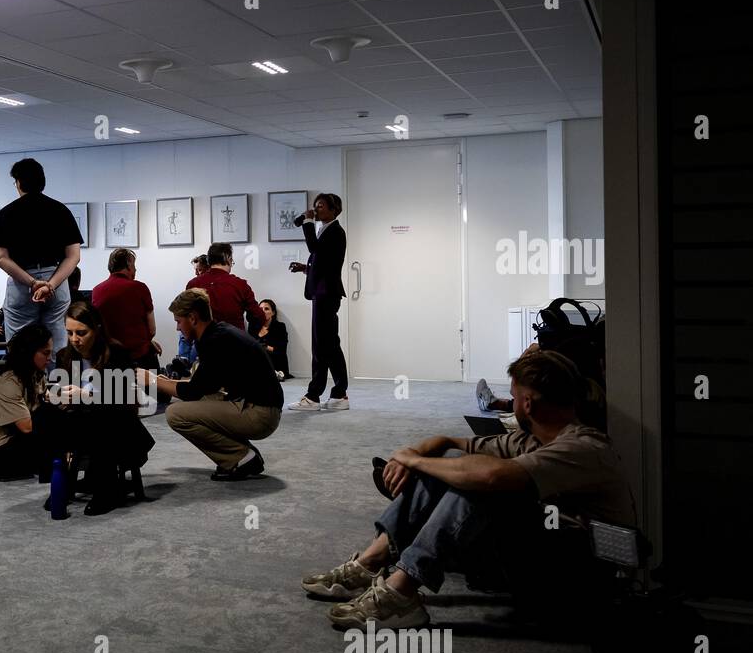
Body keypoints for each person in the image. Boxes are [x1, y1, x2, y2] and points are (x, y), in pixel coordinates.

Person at [304, 351, 636, 630]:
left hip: (583, 578)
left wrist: (415, 463)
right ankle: (371, 561)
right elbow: (454, 445)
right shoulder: (530, 440)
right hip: (539, 558)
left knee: (483, 483)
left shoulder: (583, 448)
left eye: (514, 397)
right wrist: (419, 452)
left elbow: (490, 477)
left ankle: (402, 592)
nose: (511, 405)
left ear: (528, 404)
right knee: (451, 464)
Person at [138, 289, 283, 480]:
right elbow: (202, 386)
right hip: (261, 407)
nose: (177, 328)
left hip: (261, 414)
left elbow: (192, 392)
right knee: (201, 401)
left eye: (178, 321)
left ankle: (240, 457)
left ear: (192, 318)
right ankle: (243, 454)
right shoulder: (218, 333)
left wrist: (153, 381)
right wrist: (160, 379)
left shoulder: (214, 341)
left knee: (176, 414)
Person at [47, 301, 156, 515]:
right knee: (47, 415)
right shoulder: (64, 356)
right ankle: (61, 482)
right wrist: (58, 396)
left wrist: (84, 395)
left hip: (116, 422)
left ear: (96, 330)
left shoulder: (116, 353)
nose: (74, 339)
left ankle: (106, 490)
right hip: (80, 420)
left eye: (81, 333)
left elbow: (122, 400)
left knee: (99, 416)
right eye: (69, 333)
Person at [0, 158, 82, 354]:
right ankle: (58, 384)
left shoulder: (7, 213)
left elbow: (0, 257)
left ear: (18, 182)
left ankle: (26, 384)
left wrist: (33, 283)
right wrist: (50, 284)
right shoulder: (60, 210)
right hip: (56, 281)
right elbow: (73, 256)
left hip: (22, 282)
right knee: (58, 347)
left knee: (20, 346)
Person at [288, 192, 349, 412]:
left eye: (321, 206)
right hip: (323, 293)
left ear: (334, 210)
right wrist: (306, 268)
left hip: (327, 295)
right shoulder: (326, 231)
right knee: (330, 346)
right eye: (315, 206)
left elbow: (315, 250)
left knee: (321, 347)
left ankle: (313, 396)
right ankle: (340, 394)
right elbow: (324, 263)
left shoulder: (335, 232)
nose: (316, 209)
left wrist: (307, 221)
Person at [0, 324, 56, 480]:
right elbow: (26, 427)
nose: (50, 358)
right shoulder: (9, 383)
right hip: (0, 451)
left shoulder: (36, 375)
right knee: (51, 420)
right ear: (30, 353)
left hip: (19, 440)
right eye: (45, 353)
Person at [90, 248, 162, 371]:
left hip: (111, 360)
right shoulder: (140, 288)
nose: (135, 270)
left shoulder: (96, 290)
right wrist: (147, 341)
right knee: (153, 389)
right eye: (134, 266)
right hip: (139, 358)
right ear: (128, 265)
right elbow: (152, 330)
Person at [186, 242, 266, 331]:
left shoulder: (193, 285)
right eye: (232, 261)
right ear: (228, 259)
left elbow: (186, 317)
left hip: (204, 342)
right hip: (234, 341)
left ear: (209, 261)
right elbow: (258, 317)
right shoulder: (240, 285)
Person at [178, 255, 209, 363]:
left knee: (197, 346)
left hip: (203, 325)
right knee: (183, 335)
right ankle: (182, 365)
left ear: (208, 269)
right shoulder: (193, 284)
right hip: (191, 321)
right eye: (195, 270)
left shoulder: (212, 286)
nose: (196, 273)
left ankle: (189, 368)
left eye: (199, 270)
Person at [251, 298, 291, 379]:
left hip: (276, 361)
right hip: (258, 361)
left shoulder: (280, 327)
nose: (263, 311)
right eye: (260, 309)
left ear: (273, 312)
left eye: (266, 309)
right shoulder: (253, 326)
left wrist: (264, 347)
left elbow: (281, 350)